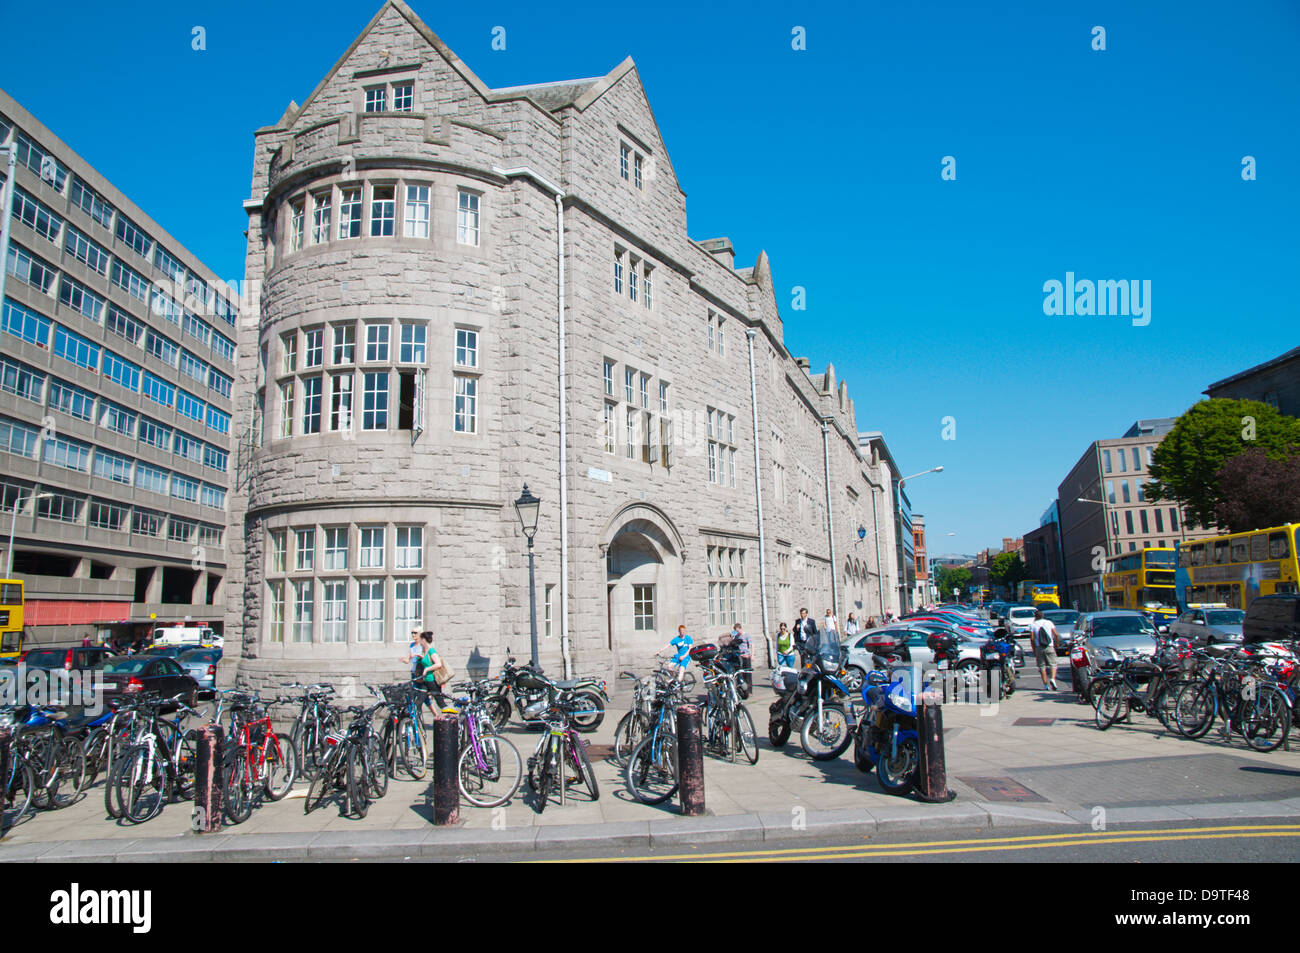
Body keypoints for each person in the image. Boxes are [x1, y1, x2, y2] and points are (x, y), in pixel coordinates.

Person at [1029, 609, 1059, 690]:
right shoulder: (1049, 622)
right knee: (1053, 664)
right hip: (1049, 646)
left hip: (1039, 647)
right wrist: (1056, 644)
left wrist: (1034, 649)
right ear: (1043, 616)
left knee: (1042, 666)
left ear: (1035, 617)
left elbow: (1032, 638)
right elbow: (1056, 634)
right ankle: (1053, 679)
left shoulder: (1033, 625)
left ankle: (1045, 685)